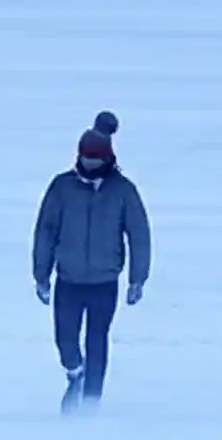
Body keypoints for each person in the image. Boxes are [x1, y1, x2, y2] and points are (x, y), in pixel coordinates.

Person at [32, 111, 151, 412]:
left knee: (97, 339)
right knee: (65, 340)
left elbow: (139, 234)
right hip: (68, 280)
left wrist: (137, 279)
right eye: (85, 158)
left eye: (95, 160)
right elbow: (46, 231)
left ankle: (90, 401)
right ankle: (75, 373)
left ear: (107, 159)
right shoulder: (62, 187)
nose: (89, 164)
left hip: (104, 281)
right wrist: (41, 275)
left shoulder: (123, 191)